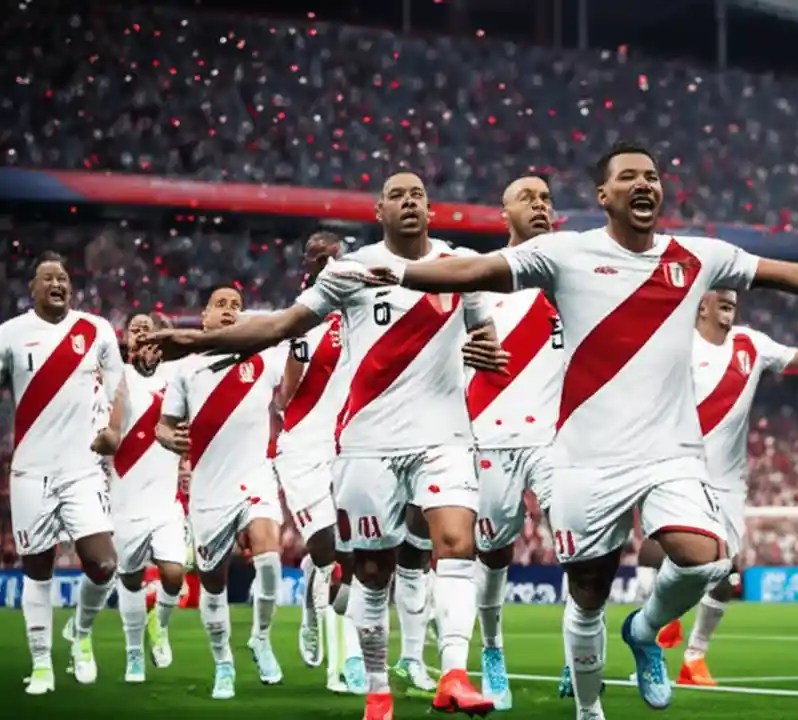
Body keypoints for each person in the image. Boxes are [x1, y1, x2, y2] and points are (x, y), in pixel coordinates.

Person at [330, 141, 798, 720]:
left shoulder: (697, 257)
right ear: (602, 196)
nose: (644, 184)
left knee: (706, 558)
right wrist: (403, 273)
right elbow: (476, 273)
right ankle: (588, 709)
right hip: (582, 459)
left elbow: (795, 277)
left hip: (669, 456)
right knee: (586, 593)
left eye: (653, 176)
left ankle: (646, 629)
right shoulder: (566, 252)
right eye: (627, 176)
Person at [142, 172, 505, 719]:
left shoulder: (461, 267)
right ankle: (378, 690)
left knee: (456, 544)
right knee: (371, 572)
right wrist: (194, 339)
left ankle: (454, 672)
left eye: (418, 195)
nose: (409, 202)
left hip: (444, 436)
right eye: (397, 195)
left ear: (431, 211)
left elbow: (484, 335)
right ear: (379, 212)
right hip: (368, 443)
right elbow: (279, 326)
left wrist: (486, 350)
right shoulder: (350, 272)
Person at [660, 288, 798, 687]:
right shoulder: (676, 343)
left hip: (729, 482)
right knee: (685, 558)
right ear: (703, 304)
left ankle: (694, 658)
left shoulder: (751, 343)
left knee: (727, 574)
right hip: (679, 469)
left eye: (733, 300)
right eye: (721, 299)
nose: (731, 304)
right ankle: (660, 624)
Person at [0, 251, 123, 694]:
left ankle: (81, 634)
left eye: (64, 278)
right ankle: (41, 666)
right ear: (31, 288)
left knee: (103, 564)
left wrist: (114, 430)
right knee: (38, 570)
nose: (58, 284)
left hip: (82, 469)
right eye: (48, 278)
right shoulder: (10, 335)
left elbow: (118, 387)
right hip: (32, 471)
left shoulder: (96, 330)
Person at [156, 286, 287, 699]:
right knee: (213, 584)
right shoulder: (185, 369)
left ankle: (261, 637)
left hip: (255, 477)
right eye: (221, 305)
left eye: (236, 305)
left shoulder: (263, 358)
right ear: (204, 316)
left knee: (269, 559)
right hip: (210, 487)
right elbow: (165, 424)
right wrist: (168, 440)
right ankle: (223, 665)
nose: (230, 311)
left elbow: (298, 349)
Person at [469, 175, 560, 711]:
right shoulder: (480, 280)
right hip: (491, 437)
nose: (540, 205)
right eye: (527, 198)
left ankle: (580, 654)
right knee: (494, 554)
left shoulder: (572, 279)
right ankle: (492, 650)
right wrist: (462, 352)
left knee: (579, 548)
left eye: (547, 198)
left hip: (554, 438)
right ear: (504, 214)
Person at [273, 231, 369, 694]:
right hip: (303, 450)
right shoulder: (298, 319)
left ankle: (328, 631)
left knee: (348, 556)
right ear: (306, 265)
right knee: (332, 550)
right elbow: (285, 393)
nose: (328, 262)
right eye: (318, 256)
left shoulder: (362, 311)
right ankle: (342, 657)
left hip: (349, 446)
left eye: (335, 255)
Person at [91, 312, 186, 683]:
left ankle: (158, 625)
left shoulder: (177, 378)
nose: (142, 334)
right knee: (129, 580)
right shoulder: (118, 380)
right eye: (135, 329)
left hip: (165, 496)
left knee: (174, 575)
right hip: (127, 495)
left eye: (149, 329)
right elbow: (111, 430)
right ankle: (134, 656)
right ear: (127, 340)